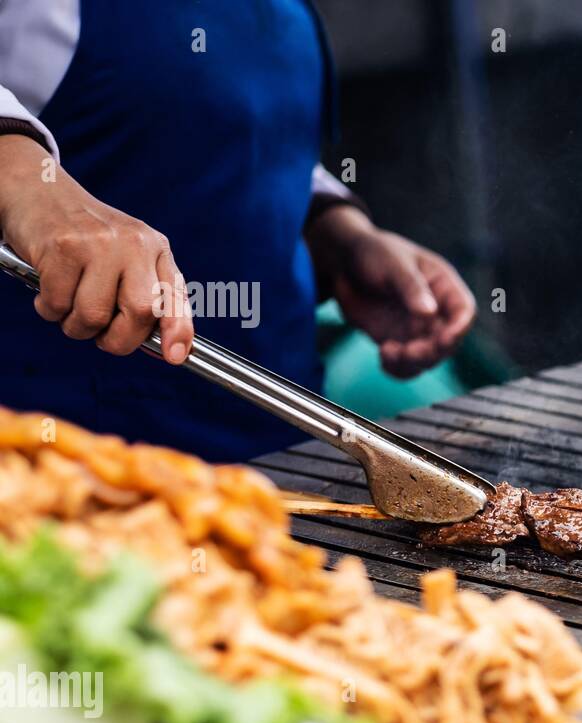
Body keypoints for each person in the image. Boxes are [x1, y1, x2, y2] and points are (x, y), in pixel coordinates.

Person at [0, 0, 475, 462]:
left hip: (291, 457)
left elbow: (242, 137)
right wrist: (24, 180)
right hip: (66, 469)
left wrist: (340, 233)